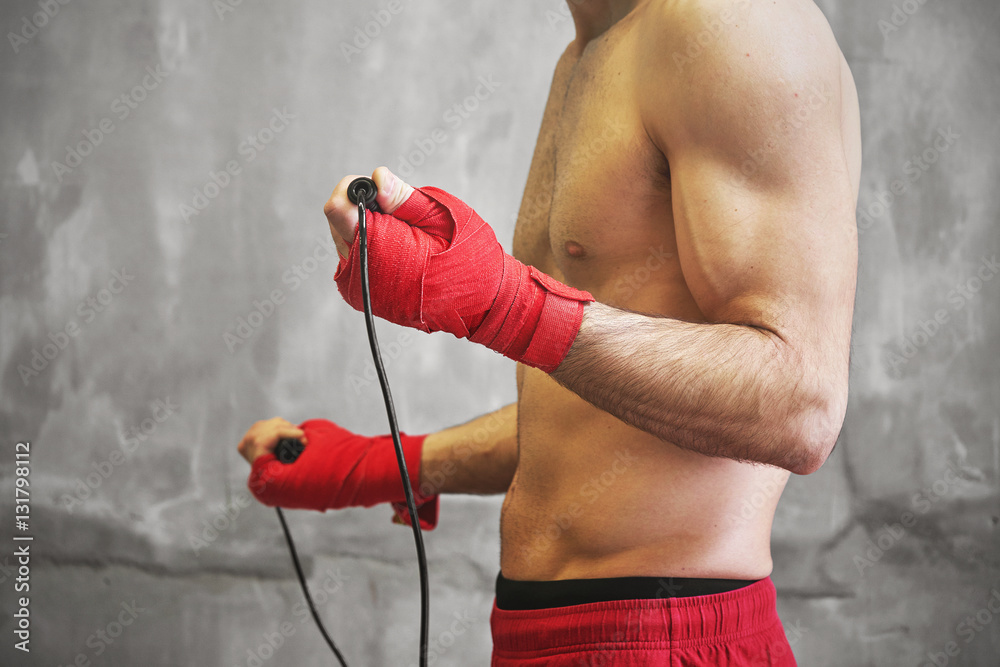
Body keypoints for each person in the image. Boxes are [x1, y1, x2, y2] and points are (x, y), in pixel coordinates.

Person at [238, 0, 861, 663]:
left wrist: (506, 304)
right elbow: (598, 415)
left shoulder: (731, 23)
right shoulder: (589, 50)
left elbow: (802, 402)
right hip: (534, 634)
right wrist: (389, 465)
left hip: (662, 638)